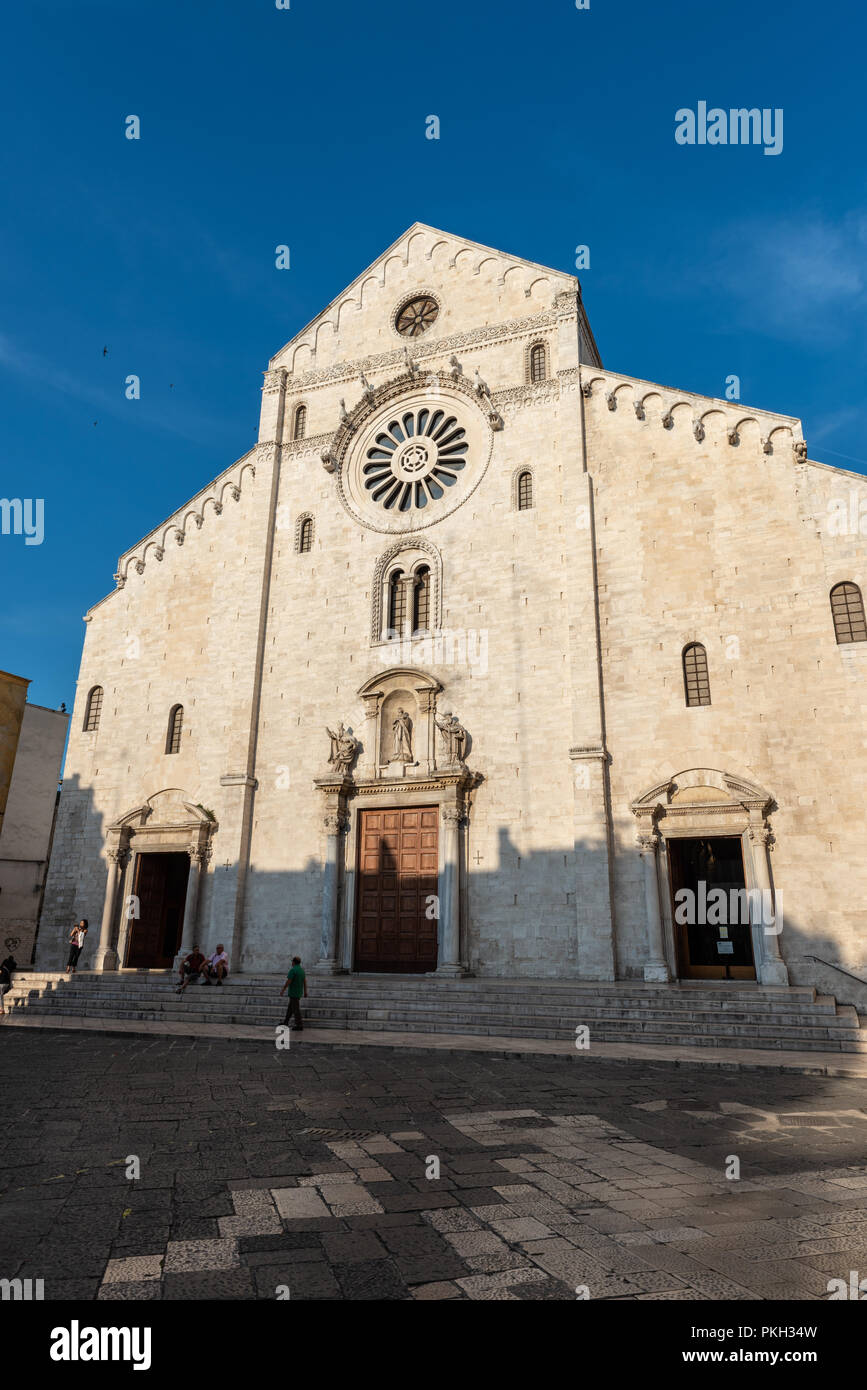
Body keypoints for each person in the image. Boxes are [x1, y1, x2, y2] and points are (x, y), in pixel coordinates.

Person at [279, 956, 307, 1031]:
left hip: (293, 992)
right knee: (290, 1008)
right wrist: (305, 991)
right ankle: (285, 1022)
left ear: (294, 962)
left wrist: (283, 989)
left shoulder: (293, 970)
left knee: (296, 1009)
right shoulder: (301, 970)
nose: (292, 963)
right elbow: (304, 982)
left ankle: (299, 1025)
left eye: (292, 961)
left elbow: (289, 981)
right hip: (298, 992)